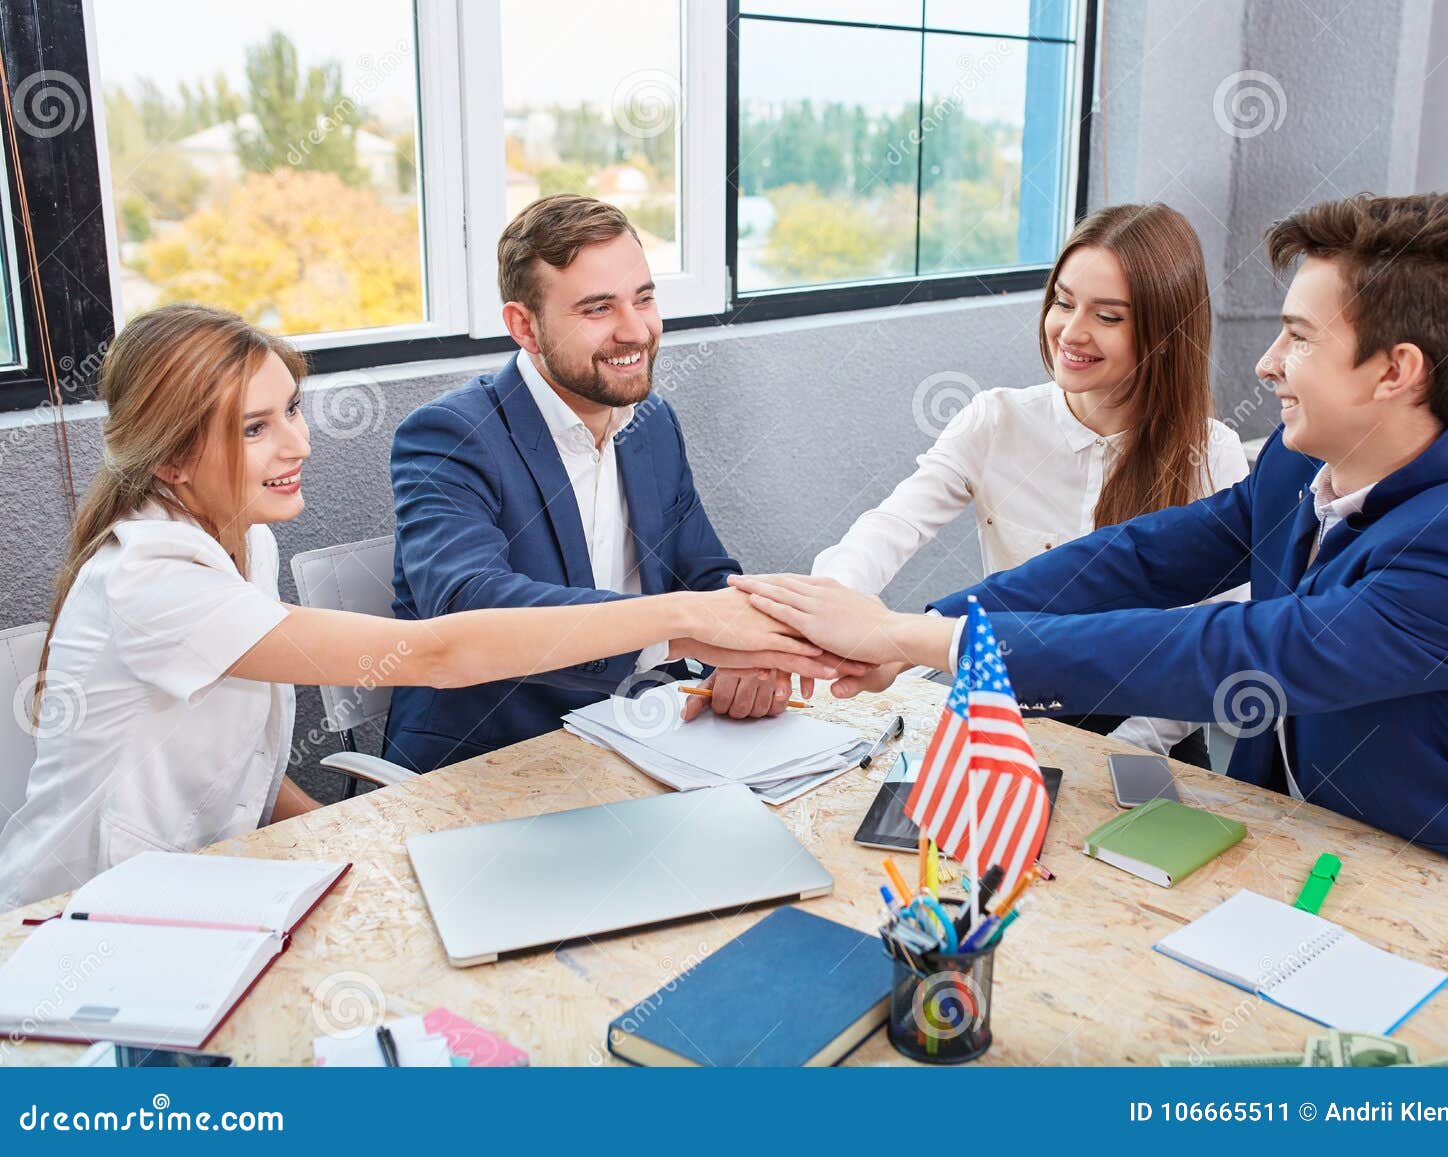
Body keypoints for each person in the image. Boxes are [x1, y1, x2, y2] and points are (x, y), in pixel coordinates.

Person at [734, 192, 1448, 884]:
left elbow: (1228, 649)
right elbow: (1131, 562)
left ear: (1395, 372)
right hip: (1272, 845)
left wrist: (922, 637)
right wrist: (905, 640)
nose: (1267, 363)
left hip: (1435, 885)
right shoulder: (1296, 461)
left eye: (1301, 338)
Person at [0, 305, 822, 909]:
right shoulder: (154, 579)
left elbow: (234, 758)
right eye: (256, 429)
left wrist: (342, 838)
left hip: (206, 887)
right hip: (79, 918)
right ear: (174, 458)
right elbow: (436, 651)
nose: (299, 444)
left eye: (291, 408)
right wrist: (678, 617)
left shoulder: (243, 542)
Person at [383, 195, 824, 772]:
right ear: (524, 326)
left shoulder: (651, 422)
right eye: (597, 310)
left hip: (644, 740)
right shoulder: (451, 436)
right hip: (495, 764)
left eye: (644, 298)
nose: (635, 330)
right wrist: (684, 631)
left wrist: (745, 654)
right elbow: (471, 605)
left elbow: (706, 576)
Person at [811, 203, 1248, 766]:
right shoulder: (995, 419)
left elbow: (1213, 641)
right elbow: (892, 525)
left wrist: (1114, 755)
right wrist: (830, 612)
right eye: (1064, 302)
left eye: (1108, 317)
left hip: (1148, 739)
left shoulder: (1211, 454)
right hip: (1011, 720)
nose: (1072, 330)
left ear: (1166, 329)